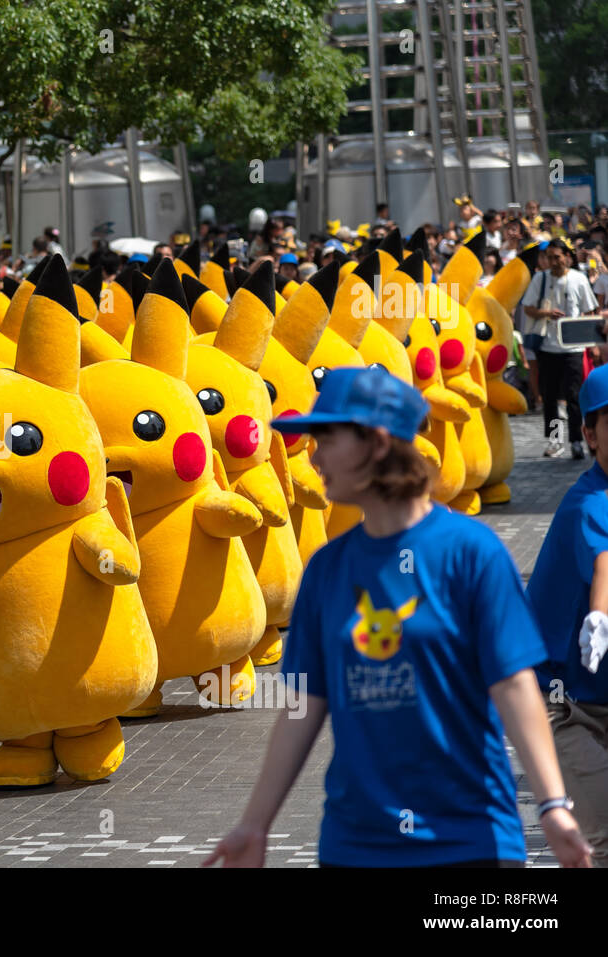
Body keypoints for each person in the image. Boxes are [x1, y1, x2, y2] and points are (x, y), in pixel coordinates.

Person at [205, 367, 593, 868]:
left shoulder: (471, 554)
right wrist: (253, 824)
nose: (313, 453)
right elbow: (302, 709)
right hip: (354, 846)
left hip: (471, 843)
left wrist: (553, 808)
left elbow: (515, 688)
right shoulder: (326, 570)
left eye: (327, 436)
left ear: (379, 443)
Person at [525, 365, 608, 867]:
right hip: (565, 703)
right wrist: (600, 614)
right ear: (590, 435)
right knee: (600, 838)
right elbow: (605, 561)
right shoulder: (588, 505)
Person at [523, 240, 600, 459]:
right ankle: (555, 441)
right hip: (547, 348)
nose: (553, 261)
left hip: (573, 349)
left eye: (557, 257)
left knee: (574, 396)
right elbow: (528, 308)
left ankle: (576, 440)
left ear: (567, 256)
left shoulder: (579, 279)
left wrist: (592, 343)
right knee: (550, 398)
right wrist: (546, 314)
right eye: (549, 257)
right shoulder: (540, 278)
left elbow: (589, 311)